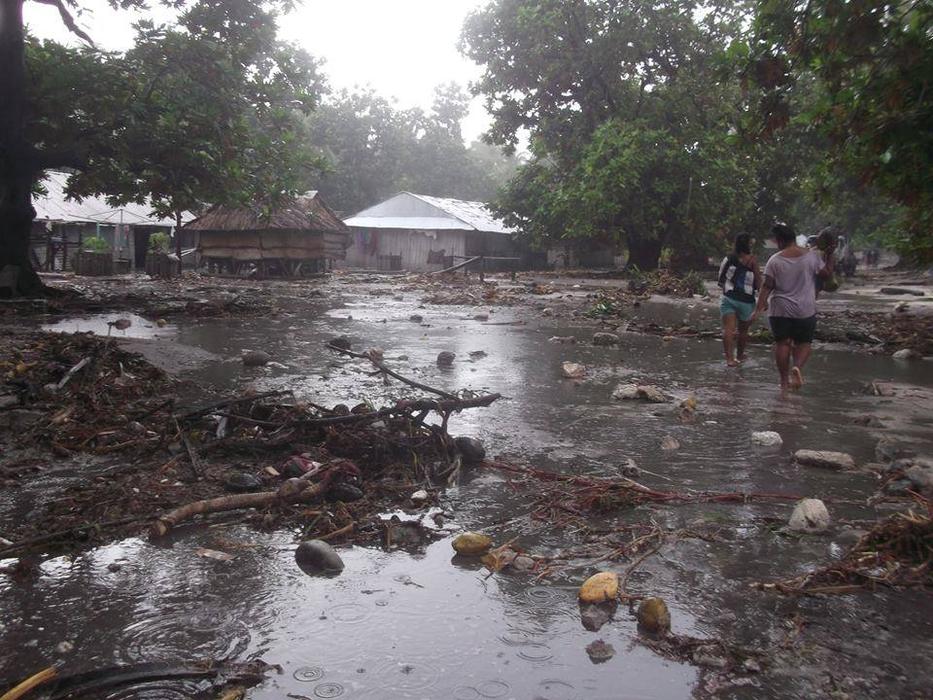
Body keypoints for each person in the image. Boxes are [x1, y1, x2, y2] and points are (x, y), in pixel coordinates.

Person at [752, 223, 834, 391]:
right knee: (804, 343)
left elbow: (767, 286)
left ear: (780, 241)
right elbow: (826, 275)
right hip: (805, 309)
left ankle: (783, 382)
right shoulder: (812, 257)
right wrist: (830, 257)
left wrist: (760, 305)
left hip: (780, 309)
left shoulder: (774, 260)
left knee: (783, 344)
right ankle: (796, 368)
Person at [717, 233, 760, 366]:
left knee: (727, 329)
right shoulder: (752, 260)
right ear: (748, 245)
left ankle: (729, 359)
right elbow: (758, 283)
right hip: (746, 300)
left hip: (729, 297)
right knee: (743, 331)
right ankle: (740, 356)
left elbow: (720, 279)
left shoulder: (728, 258)